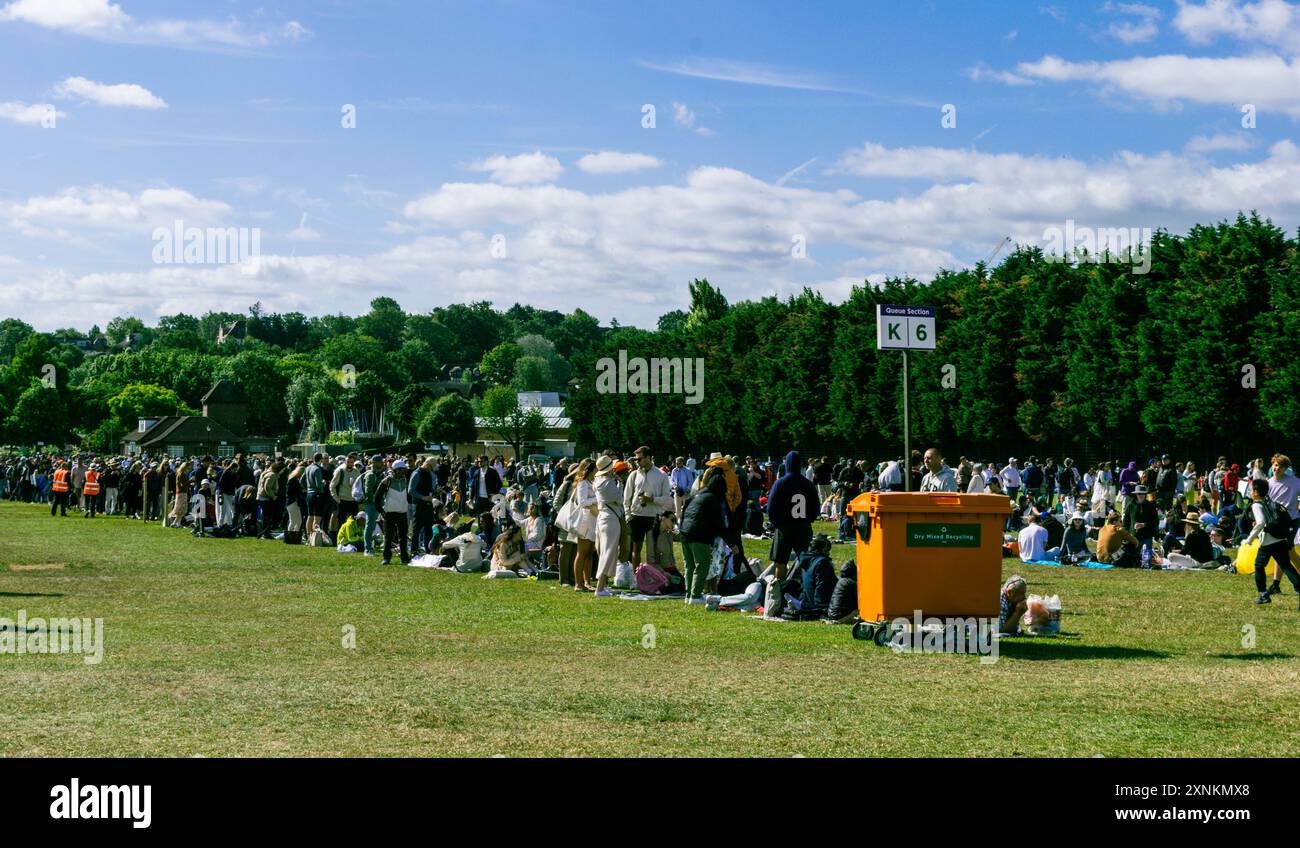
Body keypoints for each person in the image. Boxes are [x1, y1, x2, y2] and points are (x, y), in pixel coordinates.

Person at [1243, 477, 1300, 606]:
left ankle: (1263, 595)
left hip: (1267, 542)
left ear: (1256, 492)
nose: (1251, 492)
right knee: (1286, 565)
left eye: (1252, 490)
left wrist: (1249, 539)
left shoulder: (1257, 505)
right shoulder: (1270, 502)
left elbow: (1261, 522)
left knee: (1259, 566)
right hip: (1280, 539)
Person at [680, 470, 728, 604]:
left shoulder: (697, 493)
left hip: (684, 532)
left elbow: (684, 511)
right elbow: (719, 524)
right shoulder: (712, 499)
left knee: (689, 566)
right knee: (702, 564)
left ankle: (688, 595)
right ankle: (695, 596)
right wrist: (732, 542)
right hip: (698, 535)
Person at [623, 446, 673, 568]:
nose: (636, 462)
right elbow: (626, 498)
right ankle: (636, 578)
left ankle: (653, 578)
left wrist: (652, 500)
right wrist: (628, 516)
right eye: (635, 459)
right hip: (636, 516)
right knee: (636, 550)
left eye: (639, 459)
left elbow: (666, 498)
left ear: (648, 457)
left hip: (653, 517)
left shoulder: (661, 475)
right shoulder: (633, 475)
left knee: (653, 552)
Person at [593, 455, 625, 597]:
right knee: (608, 552)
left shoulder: (599, 481)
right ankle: (600, 588)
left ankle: (603, 585)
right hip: (610, 519)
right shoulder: (607, 483)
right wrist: (620, 483)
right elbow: (619, 499)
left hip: (604, 518)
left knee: (605, 552)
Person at [569, 458, 598, 592]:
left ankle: (587, 581)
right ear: (590, 470)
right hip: (585, 521)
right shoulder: (583, 483)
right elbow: (582, 502)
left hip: (593, 521)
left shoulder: (593, 482)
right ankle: (578, 583)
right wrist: (598, 498)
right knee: (582, 553)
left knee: (590, 553)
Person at [375, 459, 412, 566]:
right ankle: (386, 558)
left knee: (403, 536)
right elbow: (377, 497)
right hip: (389, 513)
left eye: (404, 469)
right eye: (401, 470)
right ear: (395, 470)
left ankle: (404, 557)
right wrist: (381, 511)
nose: (403, 471)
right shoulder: (387, 481)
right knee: (388, 537)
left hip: (402, 513)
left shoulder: (405, 480)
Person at [795, 534, 837, 618]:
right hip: (820, 603)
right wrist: (821, 607)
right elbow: (822, 586)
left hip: (808, 600)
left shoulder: (805, 560)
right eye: (826, 551)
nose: (828, 553)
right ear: (819, 550)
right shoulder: (822, 562)